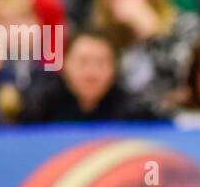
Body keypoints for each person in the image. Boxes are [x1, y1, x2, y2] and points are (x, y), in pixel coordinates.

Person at [89, 0, 200, 114]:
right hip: (119, 123)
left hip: (173, 120)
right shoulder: (103, 39)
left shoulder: (186, 26)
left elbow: (187, 79)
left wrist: (153, 35)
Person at [19, 29, 158, 123]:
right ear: (65, 64)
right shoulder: (39, 107)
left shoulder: (134, 114)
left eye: (101, 63)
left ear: (114, 68)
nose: (92, 73)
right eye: (83, 62)